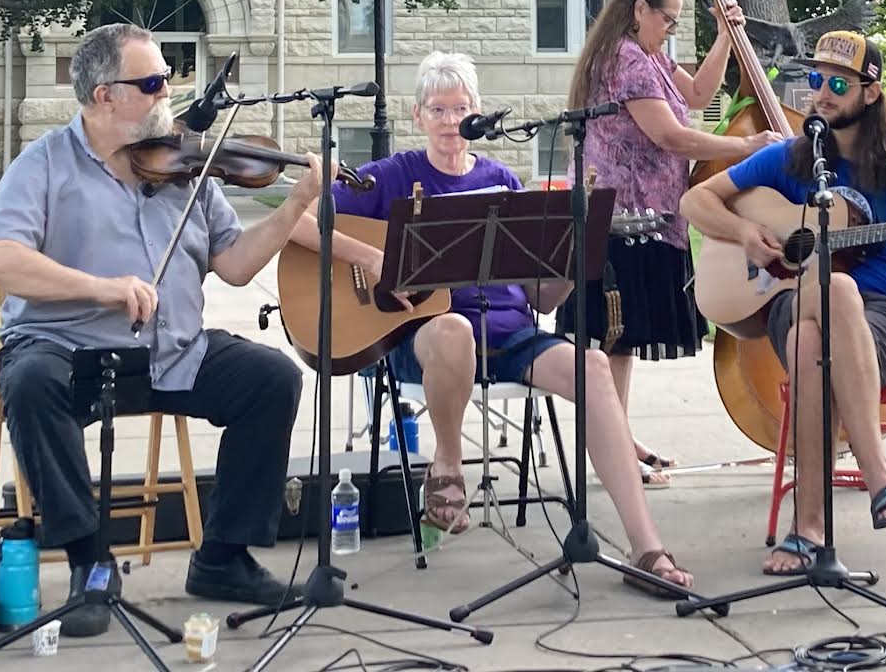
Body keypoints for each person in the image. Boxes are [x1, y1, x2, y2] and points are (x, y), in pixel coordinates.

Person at [288, 50, 695, 595]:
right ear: (417, 116)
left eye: (461, 109)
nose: (451, 121)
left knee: (595, 365)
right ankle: (449, 468)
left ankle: (647, 548)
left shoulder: (503, 179)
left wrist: (576, 258)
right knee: (453, 328)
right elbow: (296, 222)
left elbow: (542, 300)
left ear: (477, 112)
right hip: (425, 337)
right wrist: (371, 259)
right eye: (438, 109)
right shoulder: (390, 176)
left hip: (509, 335)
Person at [0, 24, 319, 638]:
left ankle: (223, 559)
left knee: (272, 378)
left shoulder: (186, 162)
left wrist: (294, 206)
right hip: (67, 350)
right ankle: (89, 564)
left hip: (172, 352)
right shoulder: (45, 163)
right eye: (155, 82)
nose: (170, 94)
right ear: (105, 96)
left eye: (170, 79)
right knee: (27, 382)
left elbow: (236, 267)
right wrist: (103, 287)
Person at [680, 30, 886, 574]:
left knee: (814, 336)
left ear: (872, 93)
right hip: (793, 298)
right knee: (832, 288)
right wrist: (742, 232)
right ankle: (879, 474)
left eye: (838, 82)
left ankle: (807, 527)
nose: (822, 93)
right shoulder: (793, 157)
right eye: (815, 81)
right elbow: (696, 200)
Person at [560, 0, 780, 487]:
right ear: (640, 10)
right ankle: (612, 451)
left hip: (647, 217)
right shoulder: (625, 59)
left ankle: (621, 436)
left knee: (624, 341)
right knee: (614, 340)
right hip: (619, 218)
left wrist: (726, 36)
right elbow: (673, 137)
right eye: (668, 19)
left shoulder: (651, 56)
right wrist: (748, 147)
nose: (672, 30)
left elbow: (700, 94)